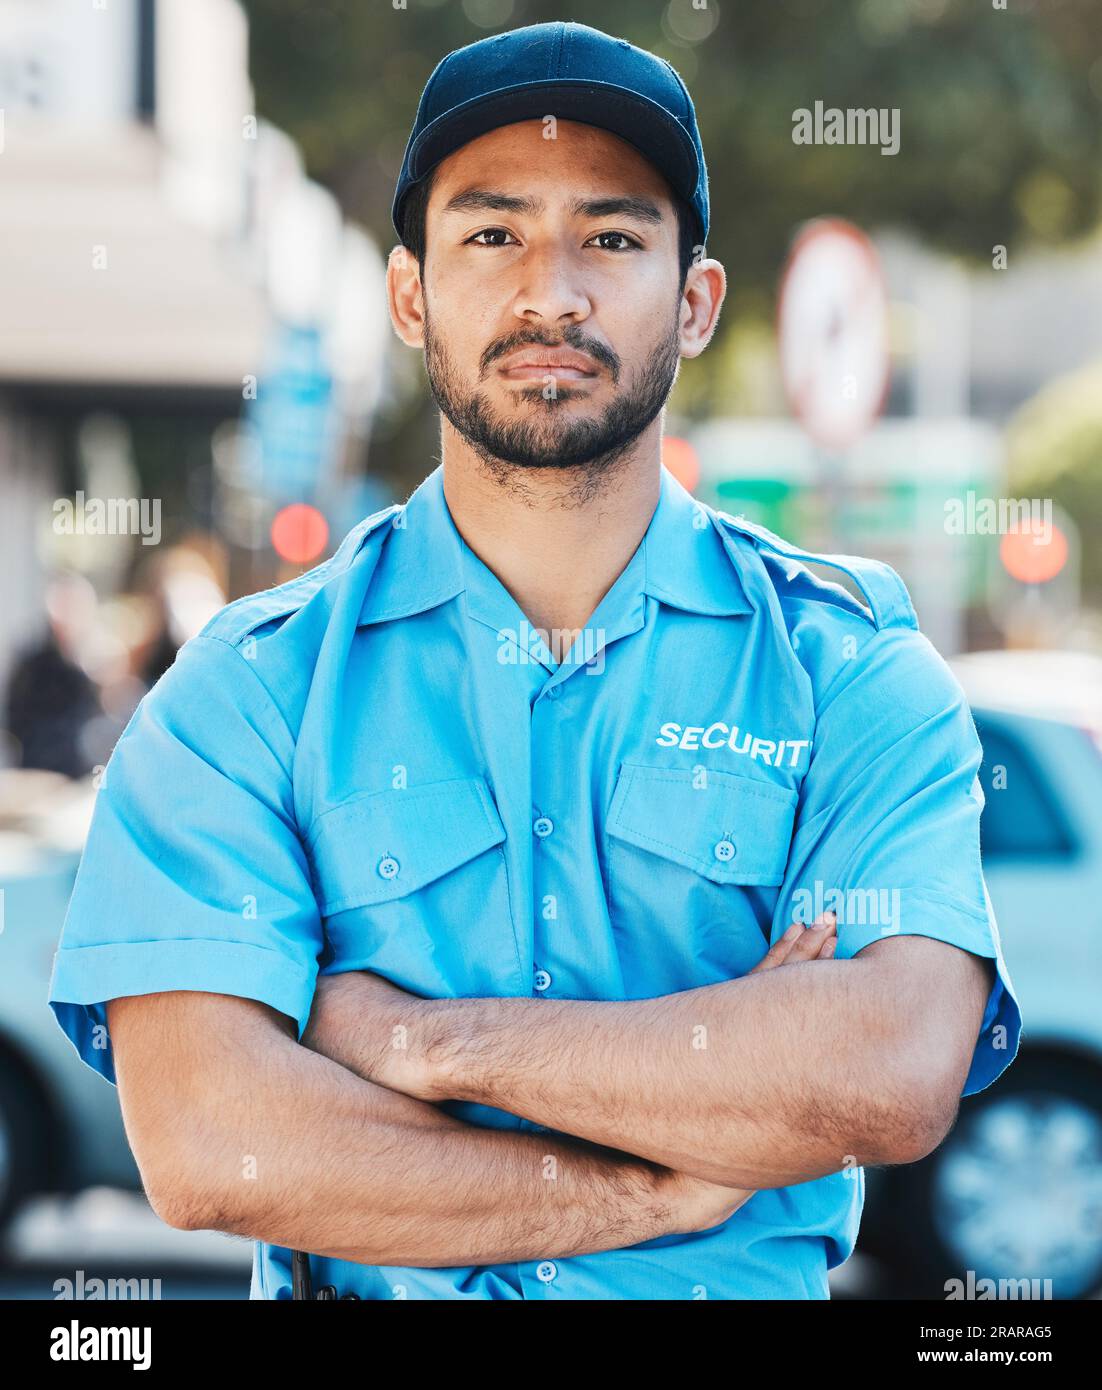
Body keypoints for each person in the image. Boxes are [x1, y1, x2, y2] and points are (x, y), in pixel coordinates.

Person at [48, 21, 1021, 1300]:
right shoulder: (248, 690)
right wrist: (654, 1180)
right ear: (411, 295)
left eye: (611, 238)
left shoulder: (848, 672)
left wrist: (414, 1039)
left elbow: (888, 1070)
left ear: (694, 300)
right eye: (491, 233)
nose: (550, 291)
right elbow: (210, 1141)